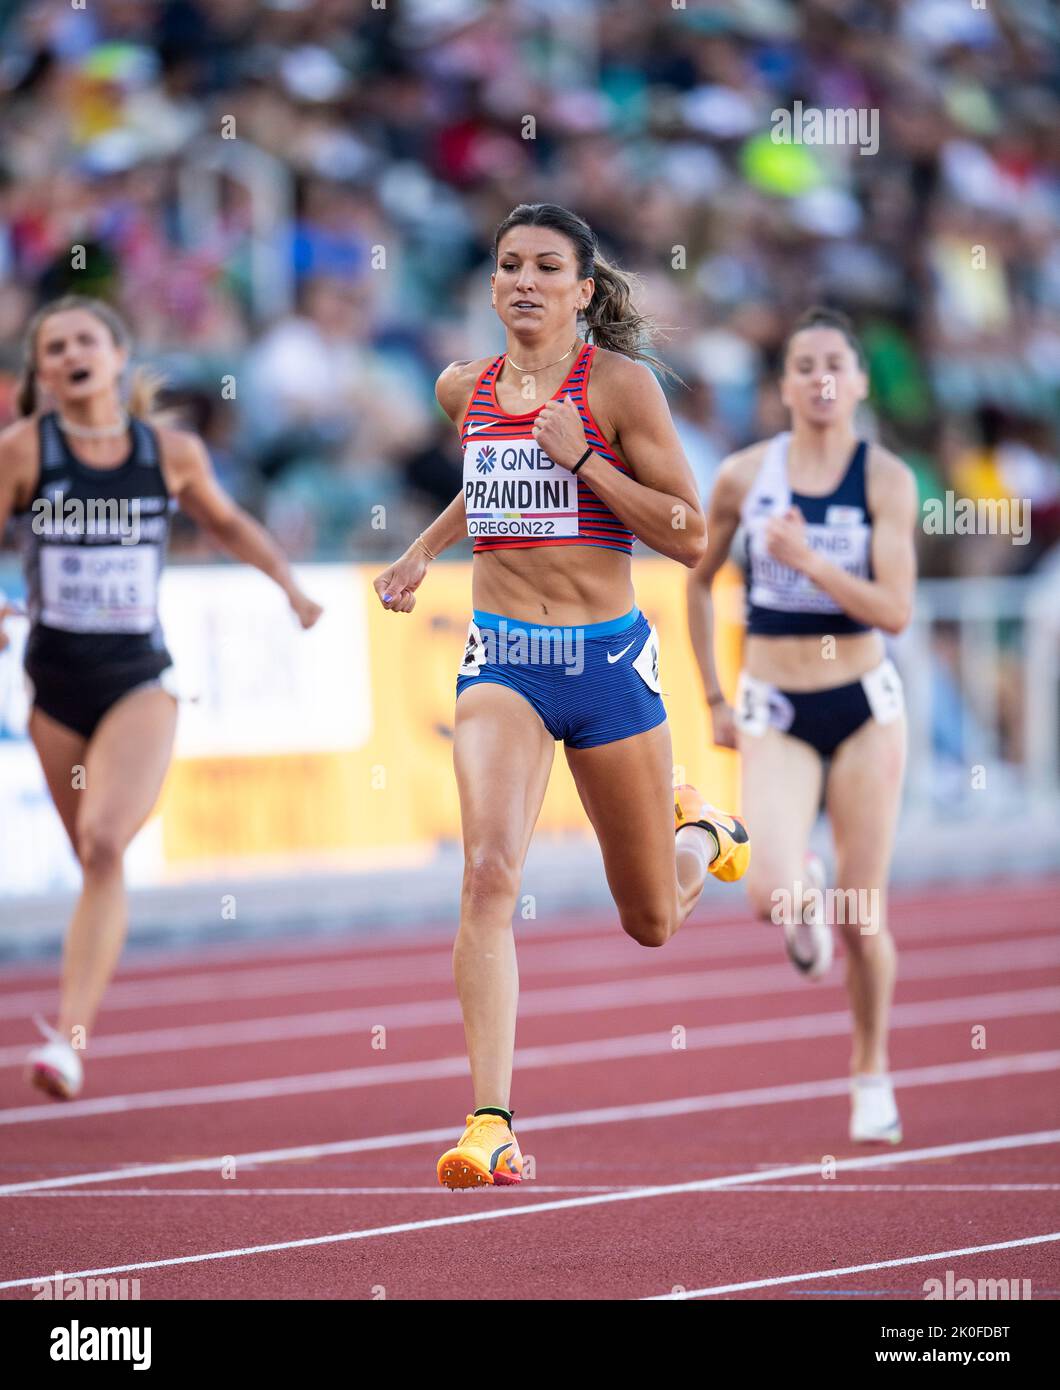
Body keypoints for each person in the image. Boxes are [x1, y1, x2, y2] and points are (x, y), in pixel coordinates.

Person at [373, 204, 750, 1189]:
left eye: (546, 266)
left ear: (584, 289)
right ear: (490, 286)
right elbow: (486, 480)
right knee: (488, 872)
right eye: (507, 266)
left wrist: (584, 457)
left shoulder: (619, 387)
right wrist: (420, 550)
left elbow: (685, 533)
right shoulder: (465, 386)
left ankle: (699, 833)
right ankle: (490, 1122)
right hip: (502, 660)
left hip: (609, 663)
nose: (523, 281)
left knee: (651, 921)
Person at [0, 295, 322, 1100]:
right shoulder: (21, 451)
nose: (71, 354)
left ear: (116, 355)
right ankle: (72, 1027)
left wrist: (288, 584)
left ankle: (69, 1042)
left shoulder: (168, 452)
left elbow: (227, 522)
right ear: (40, 375)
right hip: (53, 684)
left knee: (106, 843)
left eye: (85, 340)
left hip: (139, 678)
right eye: (53, 348)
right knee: (92, 859)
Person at [686, 307, 917, 1143]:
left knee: (864, 918)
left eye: (835, 365)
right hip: (774, 708)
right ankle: (801, 893)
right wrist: (714, 695)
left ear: (857, 382)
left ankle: (870, 1072)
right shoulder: (745, 477)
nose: (820, 379)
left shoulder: (885, 479)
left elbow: (895, 610)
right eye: (803, 365)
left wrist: (812, 561)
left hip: (861, 708)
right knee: (763, 895)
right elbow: (696, 580)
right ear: (782, 384)